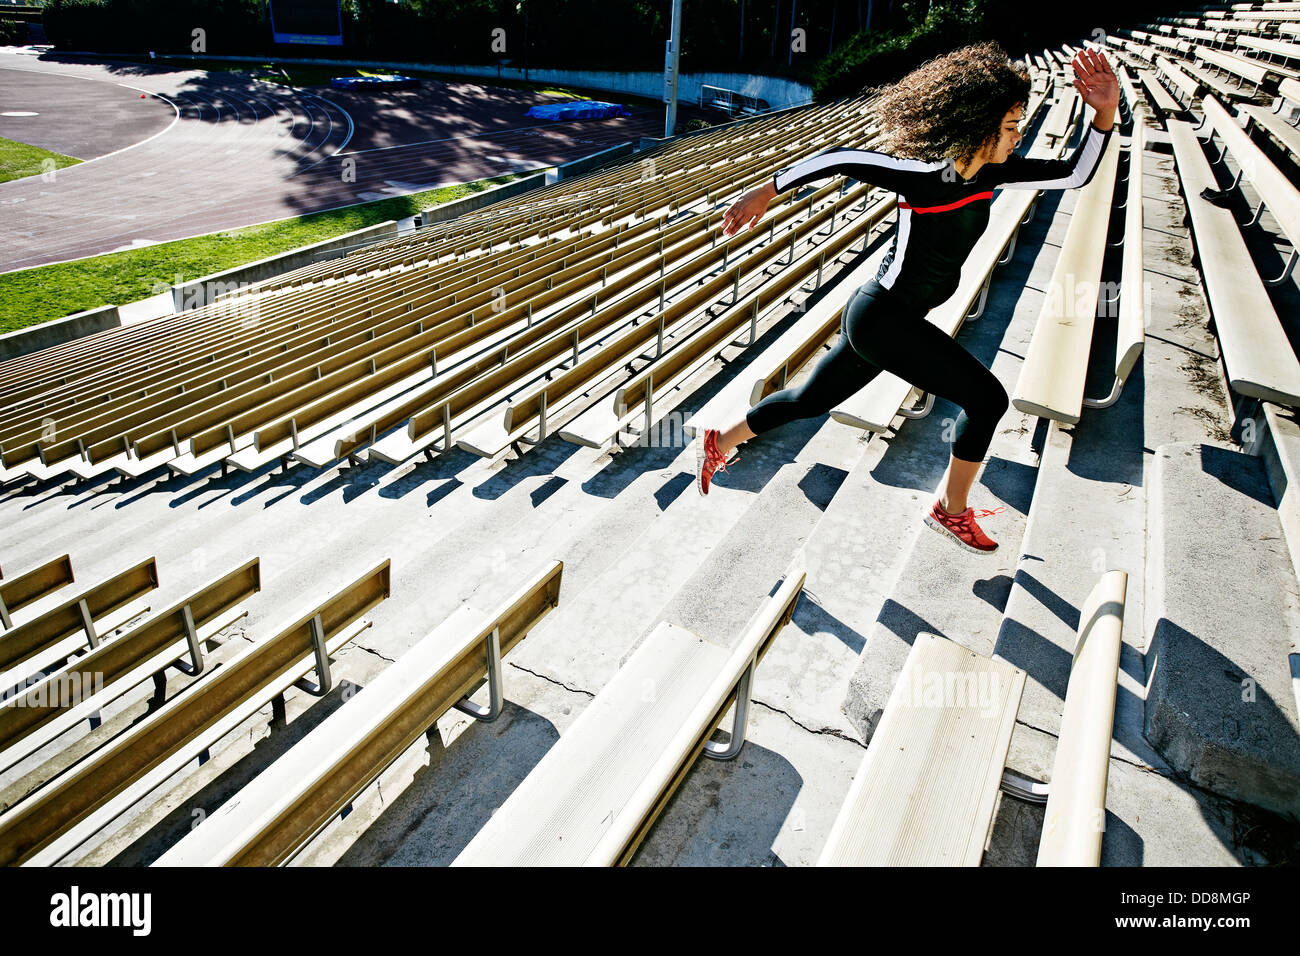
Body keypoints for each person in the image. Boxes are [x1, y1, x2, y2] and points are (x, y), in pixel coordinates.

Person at [694, 42, 1119, 555]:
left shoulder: (993, 173)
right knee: (988, 400)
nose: (1017, 136)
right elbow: (840, 158)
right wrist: (768, 188)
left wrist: (1105, 115)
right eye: (1009, 127)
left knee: (809, 400)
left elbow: (1074, 173)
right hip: (884, 319)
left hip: (886, 319)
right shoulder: (922, 176)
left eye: (1019, 126)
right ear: (976, 124)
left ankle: (721, 440)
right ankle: (951, 510)